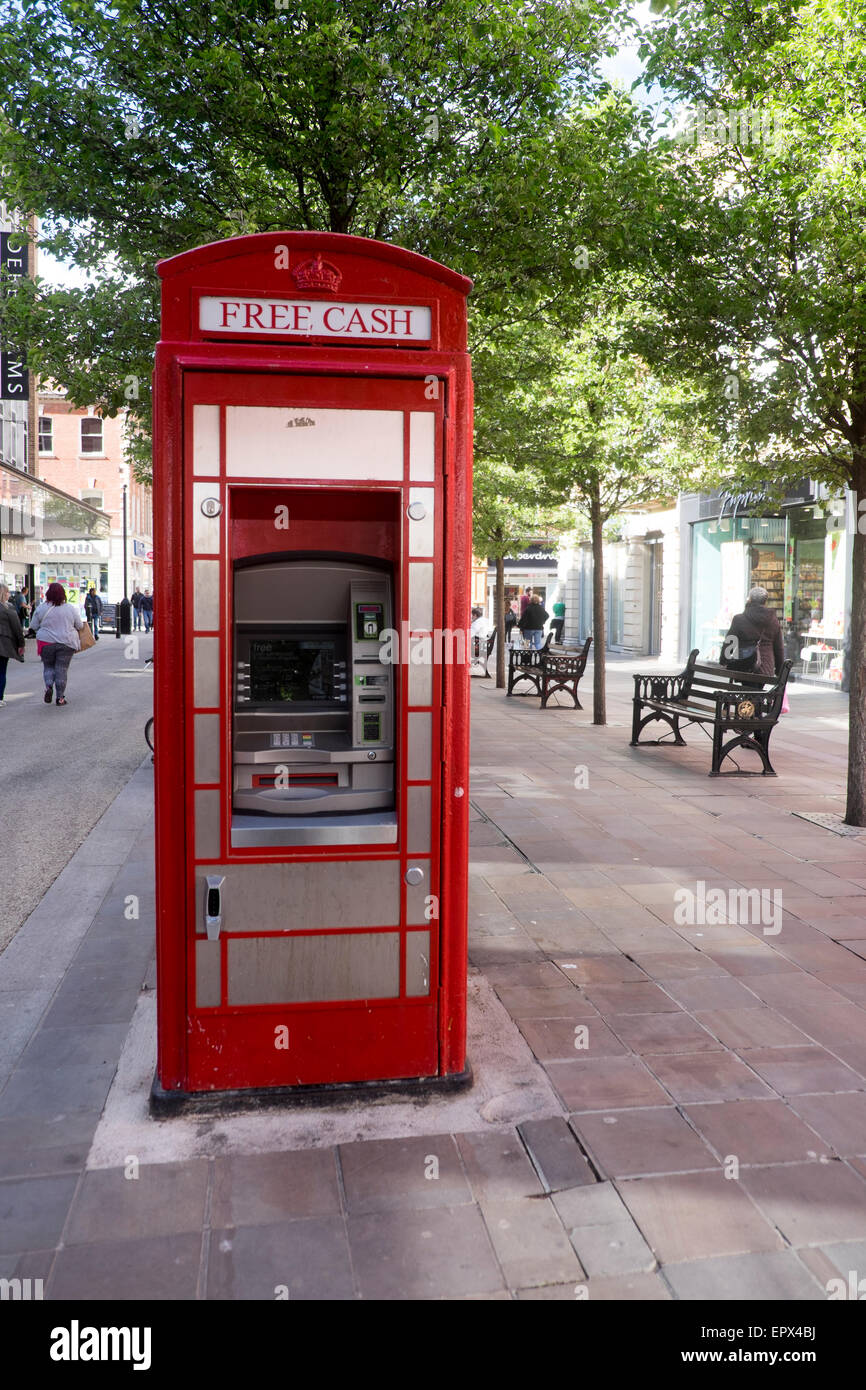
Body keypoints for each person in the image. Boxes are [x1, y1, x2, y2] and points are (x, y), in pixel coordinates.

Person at [28, 581, 84, 705]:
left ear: (48, 594)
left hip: (46, 642)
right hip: (66, 643)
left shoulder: (41, 608)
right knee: (61, 669)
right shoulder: (70, 608)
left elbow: (33, 626)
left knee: (48, 667)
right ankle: (60, 698)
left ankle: (48, 686)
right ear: (63, 594)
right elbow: (79, 625)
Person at [721, 586, 784, 675]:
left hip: (743, 665)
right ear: (765, 601)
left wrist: (724, 660)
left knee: (745, 686)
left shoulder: (739, 619)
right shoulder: (773, 620)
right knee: (757, 687)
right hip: (766, 667)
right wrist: (779, 670)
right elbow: (779, 647)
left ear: (750, 600)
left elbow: (730, 641)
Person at [0, 583, 25, 706]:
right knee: (1, 671)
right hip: (3, 645)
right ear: (4, 594)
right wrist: (21, 644)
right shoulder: (8, 608)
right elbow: (17, 628)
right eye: (8, 592)